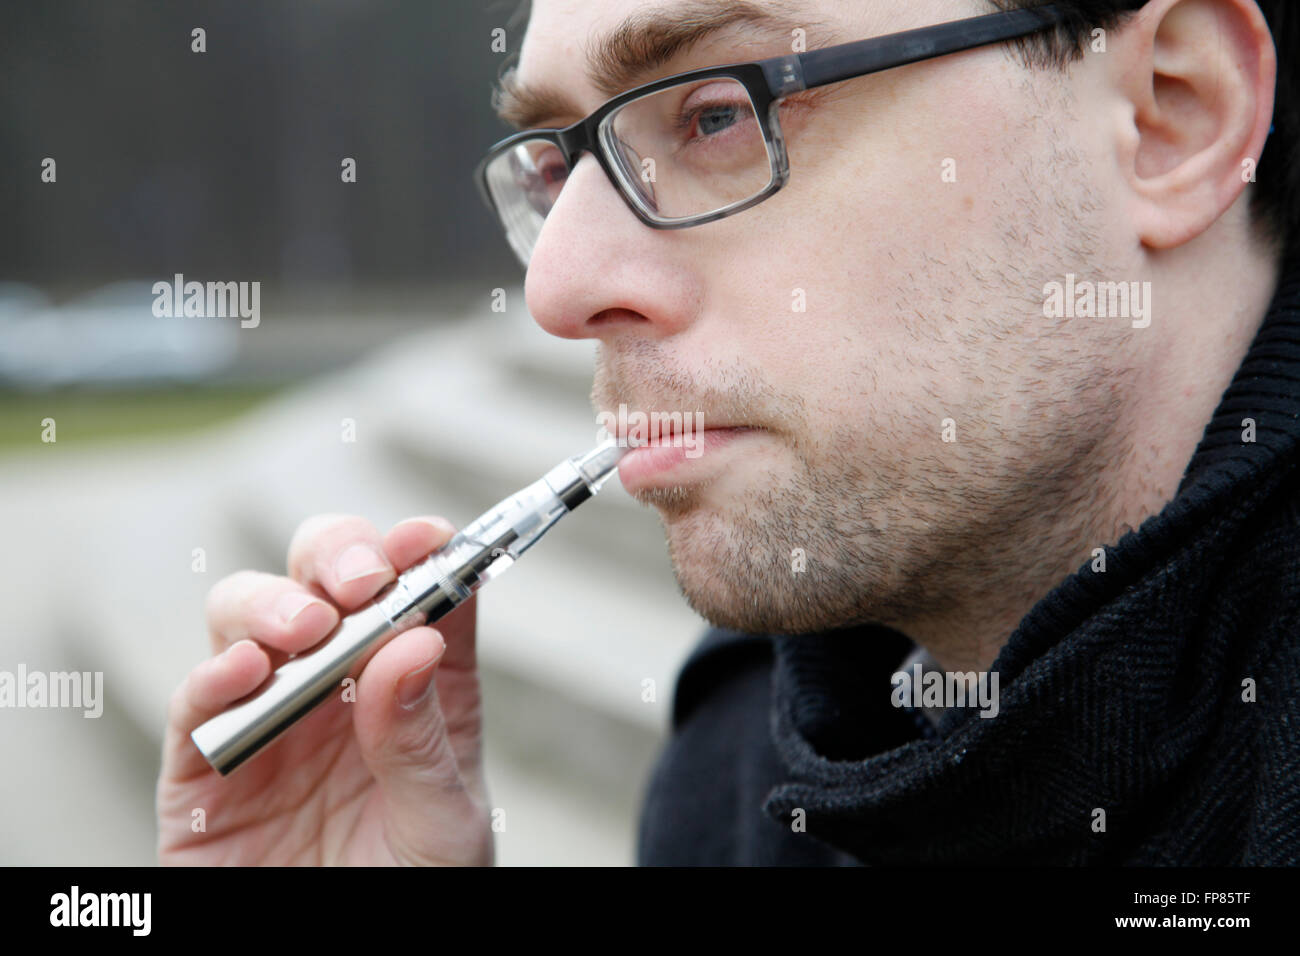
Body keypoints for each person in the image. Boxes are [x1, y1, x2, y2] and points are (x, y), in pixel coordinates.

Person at [157, 0, 1299, 865]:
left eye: (716, 112)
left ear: (1170, 114)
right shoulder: (738, 766)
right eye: (558, 164)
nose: (558, 286)